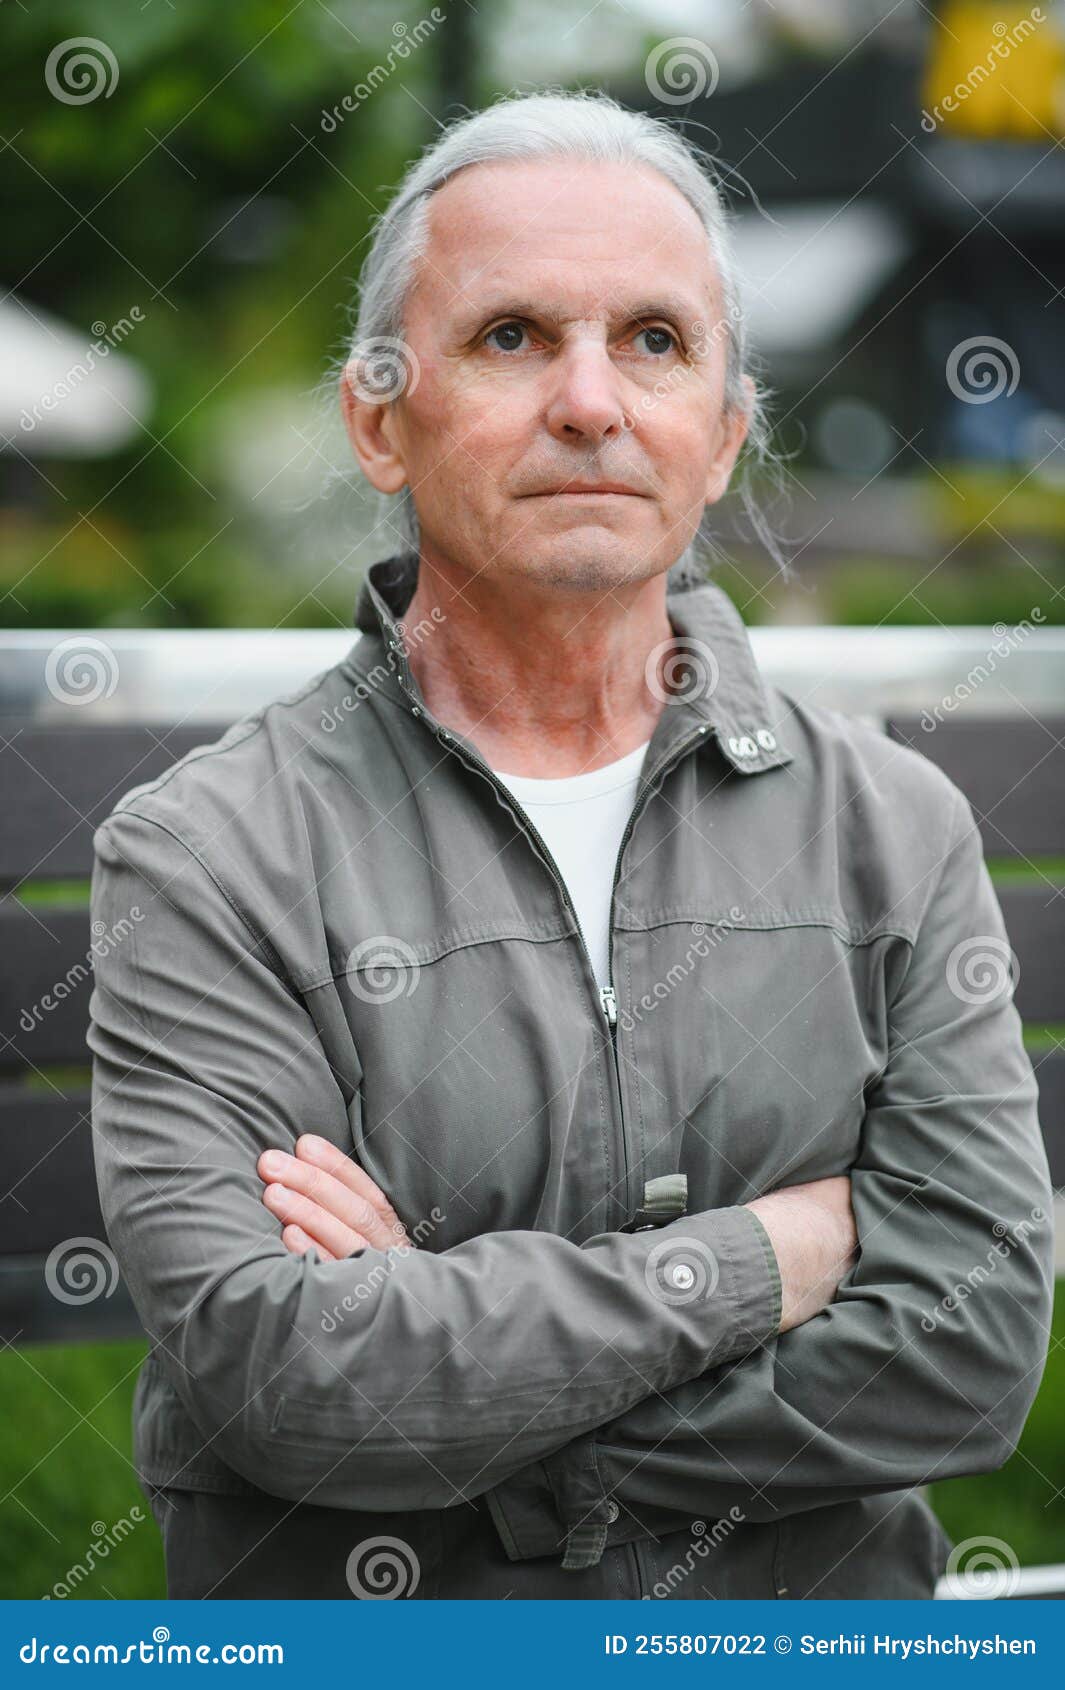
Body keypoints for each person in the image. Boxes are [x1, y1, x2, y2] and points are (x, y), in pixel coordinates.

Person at [87, 90, 1054, 1601]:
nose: (592, 402)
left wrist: (460, 1377)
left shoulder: (892, 835)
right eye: (513, 337)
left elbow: (970, 1352)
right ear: (375, 416)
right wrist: (765, 1260)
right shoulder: (211, 854)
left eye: (654, 343)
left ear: (724, 434)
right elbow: (278, 1377)